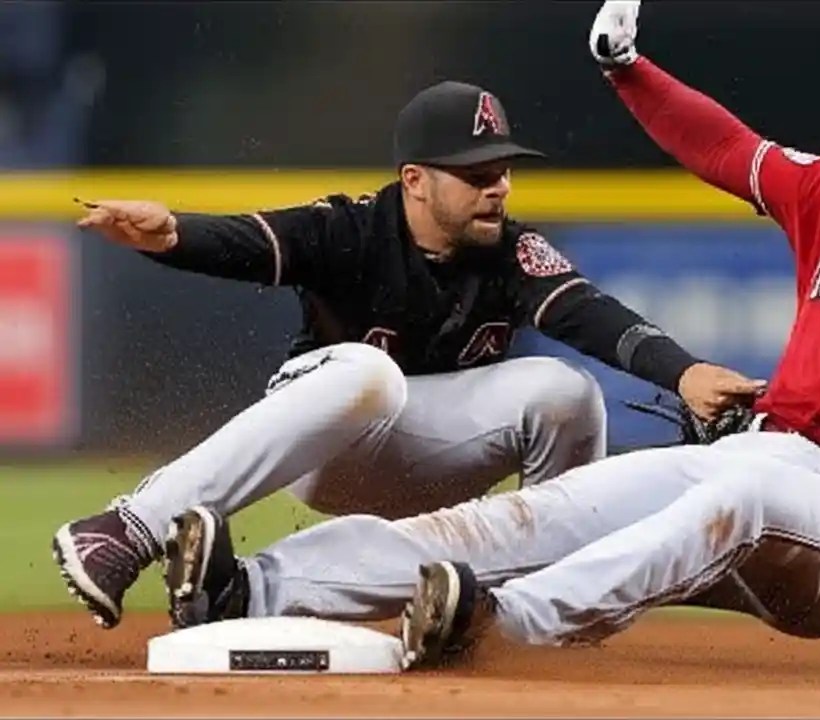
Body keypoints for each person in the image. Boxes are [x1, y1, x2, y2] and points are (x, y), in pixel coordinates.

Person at [158, 0, 820, 675]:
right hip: (760, 453)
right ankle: (258, 588)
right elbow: (725, 148)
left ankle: (499, 626)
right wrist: (627, 71)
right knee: (549, 512)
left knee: (736, 498)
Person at [52, 77, 763, 630]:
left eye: (503, 170)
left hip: (437, 462)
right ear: (416, 179)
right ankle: (125, 529)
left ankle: (528, 607)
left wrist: (685, 371)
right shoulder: (356, 228)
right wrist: (172, 234)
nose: (499, 186)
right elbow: (247, 242)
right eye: (477, 173)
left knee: (564, 391)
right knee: (370, 374)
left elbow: (591, 315)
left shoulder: (513, 250)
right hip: (330, 445)